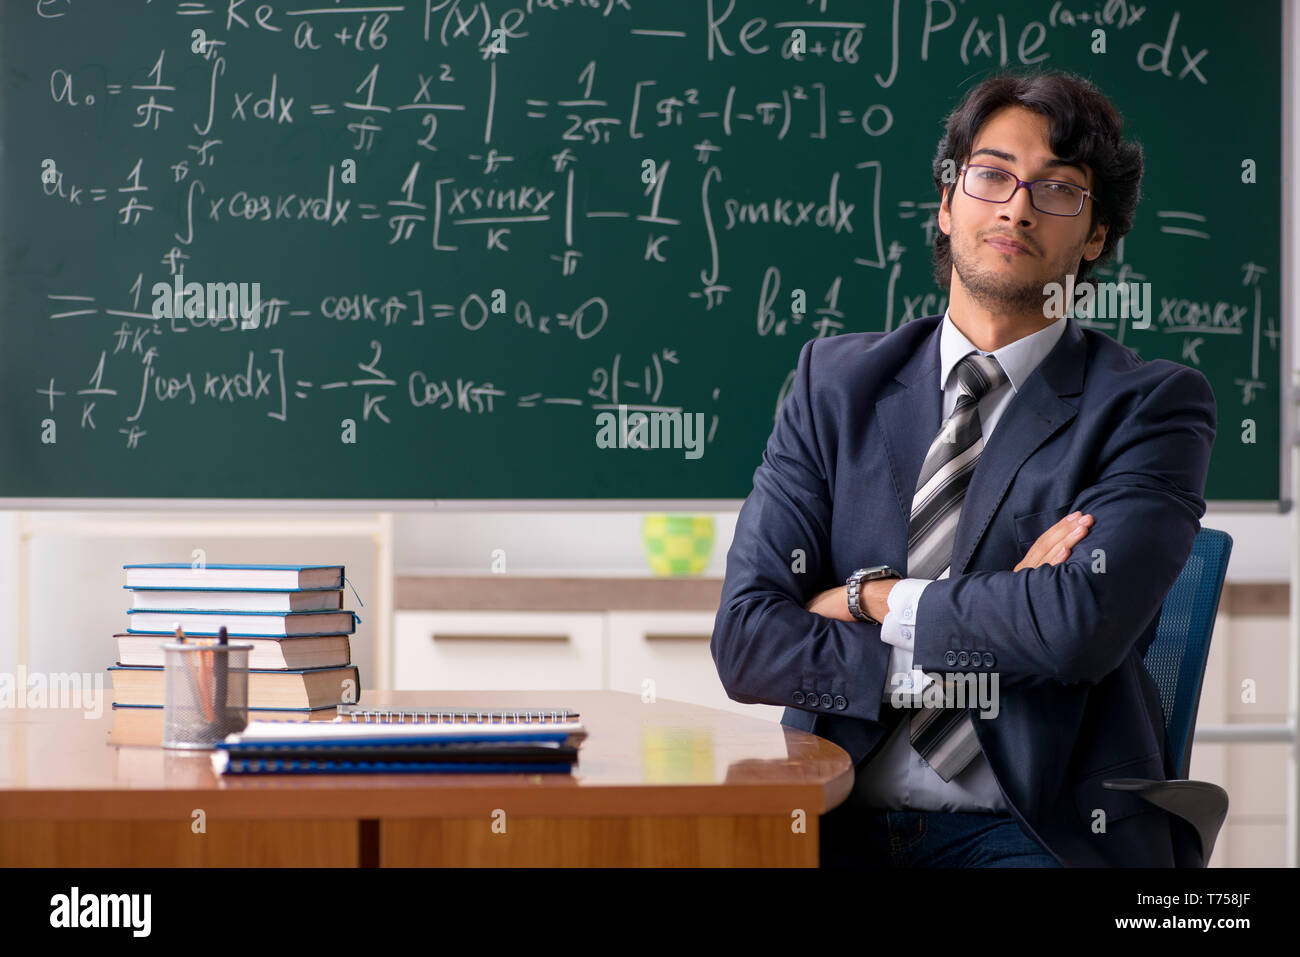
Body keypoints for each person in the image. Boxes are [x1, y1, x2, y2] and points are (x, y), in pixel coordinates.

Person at [710, 70, 1216, 867]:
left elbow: (1076, 628)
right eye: (992, 175)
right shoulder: (833, 383)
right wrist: (1002, 615)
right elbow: (745, 639)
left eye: (1058, 189)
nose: (1017, 205)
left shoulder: (1150, 406)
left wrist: (867, 598)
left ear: (1094, 238)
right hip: (831, 820)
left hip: (1034, 830)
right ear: (947, 204)